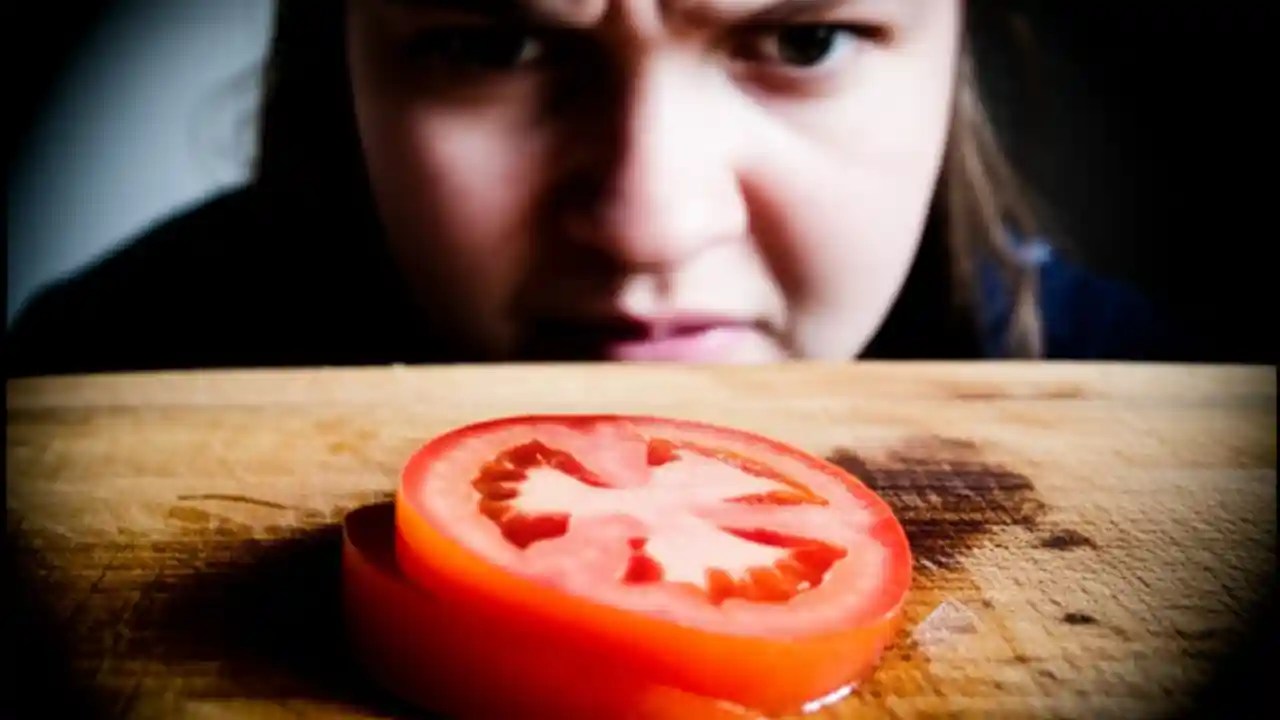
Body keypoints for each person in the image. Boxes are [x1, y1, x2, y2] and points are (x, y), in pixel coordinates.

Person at [4, 0, 1182, 378]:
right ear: (339, 56)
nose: (650, 223)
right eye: (494, 48)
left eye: (806, 40)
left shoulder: (1157, 419)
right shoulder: (79, 393)